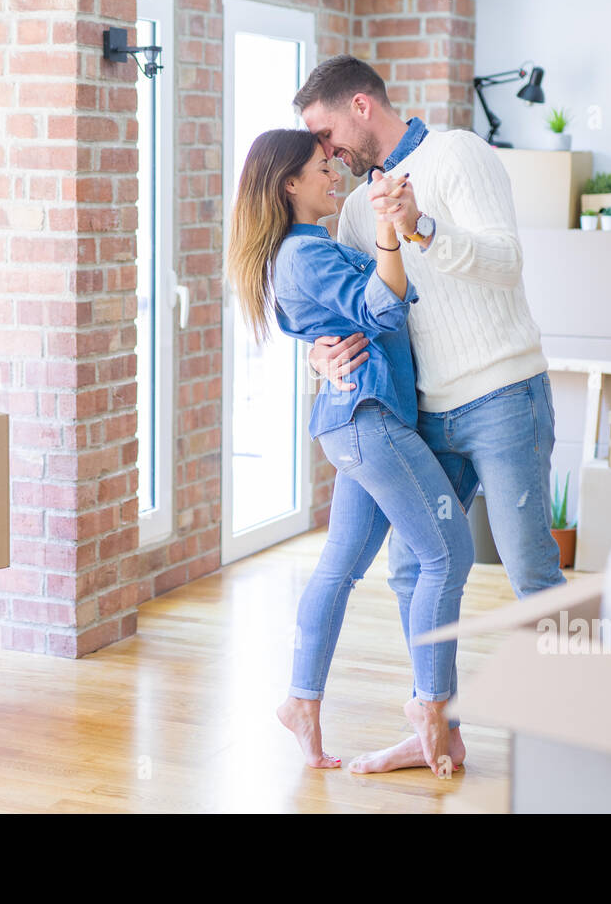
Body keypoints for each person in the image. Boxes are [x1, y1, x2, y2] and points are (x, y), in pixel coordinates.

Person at [293, 54, 566, 774]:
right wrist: (316, 358)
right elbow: (346, 309)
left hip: (504, 393)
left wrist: (422, 227)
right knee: (415, 569)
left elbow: (507, 262)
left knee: (531, 570)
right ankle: (435, 730)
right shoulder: (352, 212)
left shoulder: (459, 154)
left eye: (325, 133)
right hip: (426, 412)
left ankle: (580, 735)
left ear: (360, 106)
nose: (327, 152)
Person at [226, 127, 473, 777]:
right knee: (447, 552)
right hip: (368, 419)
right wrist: (392, 229)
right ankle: (433, 712)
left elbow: (342, 319)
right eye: (320, 167)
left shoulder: (305, 247)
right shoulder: (306, 253)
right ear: (289, 184)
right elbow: (383, 309)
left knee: (340, 566)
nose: (334, 175)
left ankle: (301, 702)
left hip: (356, 416)